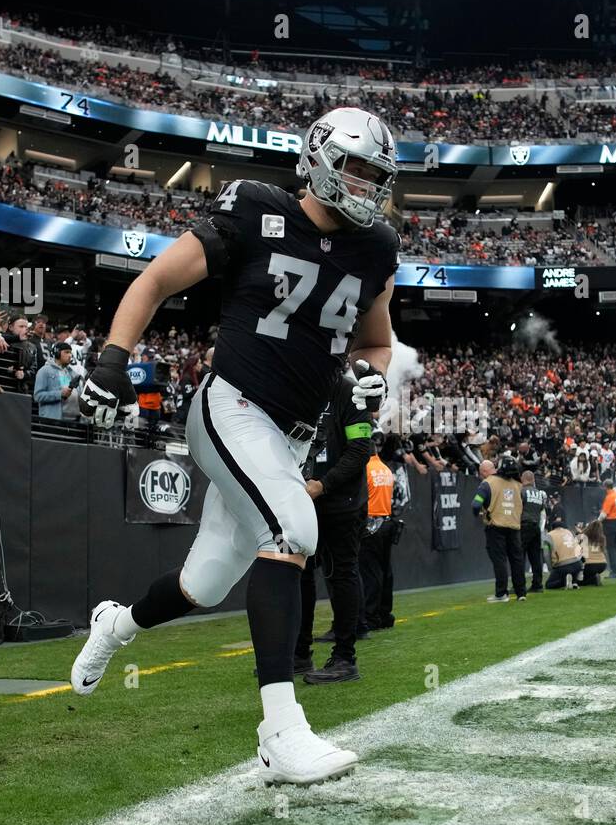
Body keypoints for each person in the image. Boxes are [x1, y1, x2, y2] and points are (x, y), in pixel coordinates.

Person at [69, 106, 400, 786]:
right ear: (319, 160)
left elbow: (375, 342)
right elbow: (155, 280)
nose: (367, 187)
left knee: (206, 583)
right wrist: (112, 358)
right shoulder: (257, 211)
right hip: (232, 405)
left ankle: (117, 623)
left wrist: (371, 378)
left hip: (290, 438)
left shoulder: (376, 250)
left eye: (378, 176)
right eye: (357, 169)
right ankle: (281, 732)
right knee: (292, 528)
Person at [294, 374, 373, 684]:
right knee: (301, 574)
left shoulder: (350, 392)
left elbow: (360, 449)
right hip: (304, 501)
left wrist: (323, 485)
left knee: (341, 573)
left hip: (343, 502)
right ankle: (300, 653)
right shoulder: (299, 387)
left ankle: (344, 657)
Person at [473, 457, 528, 602]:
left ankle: (501, 593)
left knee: (500, 560)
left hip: (496, 526)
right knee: (517, 560)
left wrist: (477, 513)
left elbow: (476, 504)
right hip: (514, 527)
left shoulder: (487, 483)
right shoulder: (518, 485)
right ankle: (521, 592)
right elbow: (524, 503)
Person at [359, 434, 397, 634]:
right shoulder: (385, 469)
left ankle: (371, 616)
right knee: (385, 571)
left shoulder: (365, 469)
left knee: (370, 573)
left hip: (371, 523)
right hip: (387, 521)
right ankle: (385, 614)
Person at [519, 470, 548, 593]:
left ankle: (519, 585)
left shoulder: (521, 491)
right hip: (536, 526)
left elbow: (518, 507)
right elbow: (542, 508)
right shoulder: (539, 494)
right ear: (533, 480)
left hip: (524, 525)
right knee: (536, 557)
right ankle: (537, 584)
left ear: (523, 479)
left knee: (519, 556)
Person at [34, 342, 77, 420]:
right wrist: (59, 394)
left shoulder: (72, 373)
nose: (70, 355)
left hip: (73, 420)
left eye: (70, 353)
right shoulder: (44, 371)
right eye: (66, 352)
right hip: (53, 419)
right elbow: (38, 396)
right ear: (57, 353)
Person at [544, 518, 584, 589]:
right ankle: (574, 582)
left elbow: (546, 554)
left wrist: (551, 569)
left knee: (549, 584)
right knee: (572, 573)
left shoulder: (549, 536)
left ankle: (564, 581)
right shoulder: (569, 532)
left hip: (562, 565)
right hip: (577, 563)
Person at [599, 479, 616, 578]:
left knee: (611, 548)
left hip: (610, 523)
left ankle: (614, 571)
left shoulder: (609, 497)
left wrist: (597, 522)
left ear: (605, 487)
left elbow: (604, 514)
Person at [578, 519, 608, 586]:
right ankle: (595, 578)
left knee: (580, 582)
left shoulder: (583, 537)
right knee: (588, 576)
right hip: (602, 564)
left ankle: (594, 579)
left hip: (589, 565)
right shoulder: (602, 538)